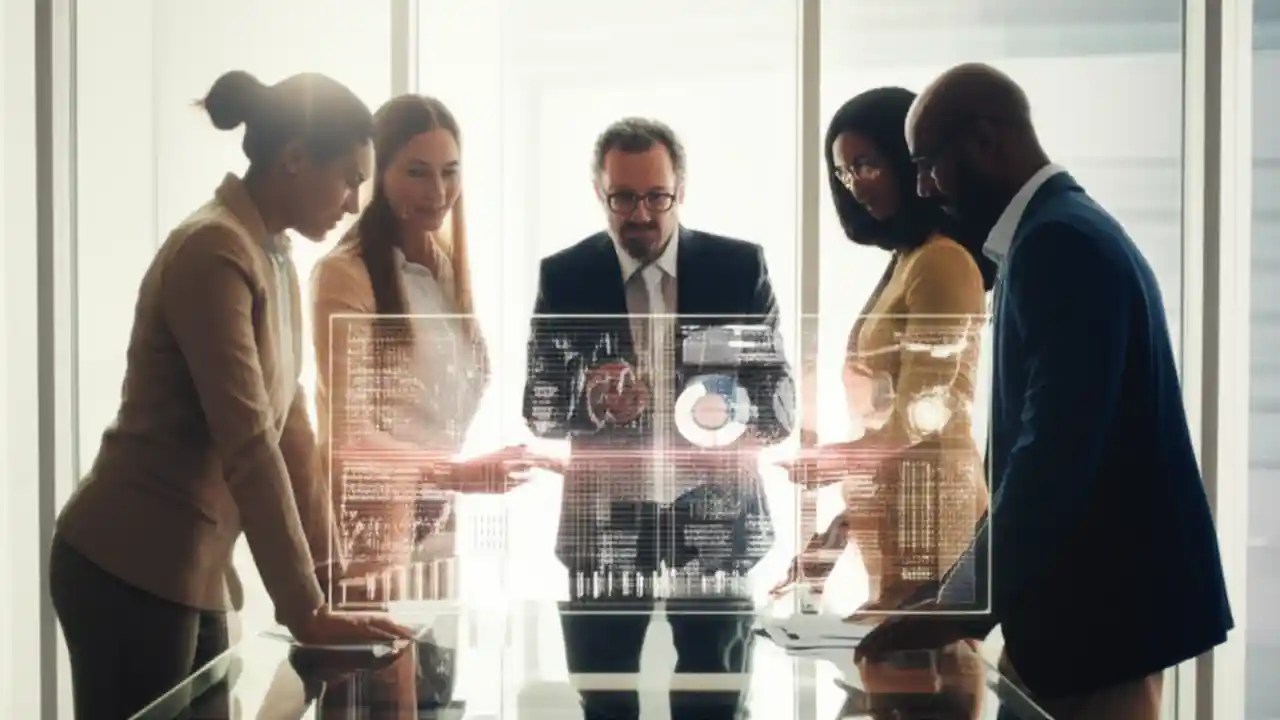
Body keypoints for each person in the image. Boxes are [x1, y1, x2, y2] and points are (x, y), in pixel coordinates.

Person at [856, 62, 1234, 720]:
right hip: (1085, 623)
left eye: (927, 165)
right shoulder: (1058, 233)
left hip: (1096, 629)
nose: (921, 187)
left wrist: (959, 605)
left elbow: (1051, 459)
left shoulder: (1058, 244)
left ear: (984, 143)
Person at [50, 70, 413, 719]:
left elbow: (291, 426)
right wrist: (305, 609)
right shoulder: (215, 250)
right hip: (127, 564)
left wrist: (333, 584)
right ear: (295, 159)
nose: (355, 202)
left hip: (196, 571)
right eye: (349, 178)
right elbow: (248, 443)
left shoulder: (271, 252)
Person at [522, 117, 794, 719]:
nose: (640, 214)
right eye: (623, 197)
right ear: (600, 192)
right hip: (605, 531)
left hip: (715, 525)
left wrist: (727, 417)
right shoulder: (563, 277)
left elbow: (780, 403)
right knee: (605, 704)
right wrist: (590, 400)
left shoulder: (738, 268)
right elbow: (537, 405)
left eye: (656, 196)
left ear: (680, 191)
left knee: (716, 706)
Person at [310, 94, 538, 708]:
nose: (438, 191)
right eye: (416, 171)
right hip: (369, 537)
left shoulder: (444, 268)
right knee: (383, 704)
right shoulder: (345, 274)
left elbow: (437, 411)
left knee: (435, 703)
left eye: (450, 171)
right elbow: (351, 437)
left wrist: (464, 469)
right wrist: (457, 472)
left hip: (435, 531)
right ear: (376, 175)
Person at [771, 87, 995, 613]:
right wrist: (843, 524)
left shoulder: (941, 262)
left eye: (866, 165)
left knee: (919, 684)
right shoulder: (908, 259)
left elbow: (927, 417)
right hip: (900, 522)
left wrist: (834, 460)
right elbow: (890, 425)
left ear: (905, 158)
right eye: (844, 173)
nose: (854, 185)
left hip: (934, 524)